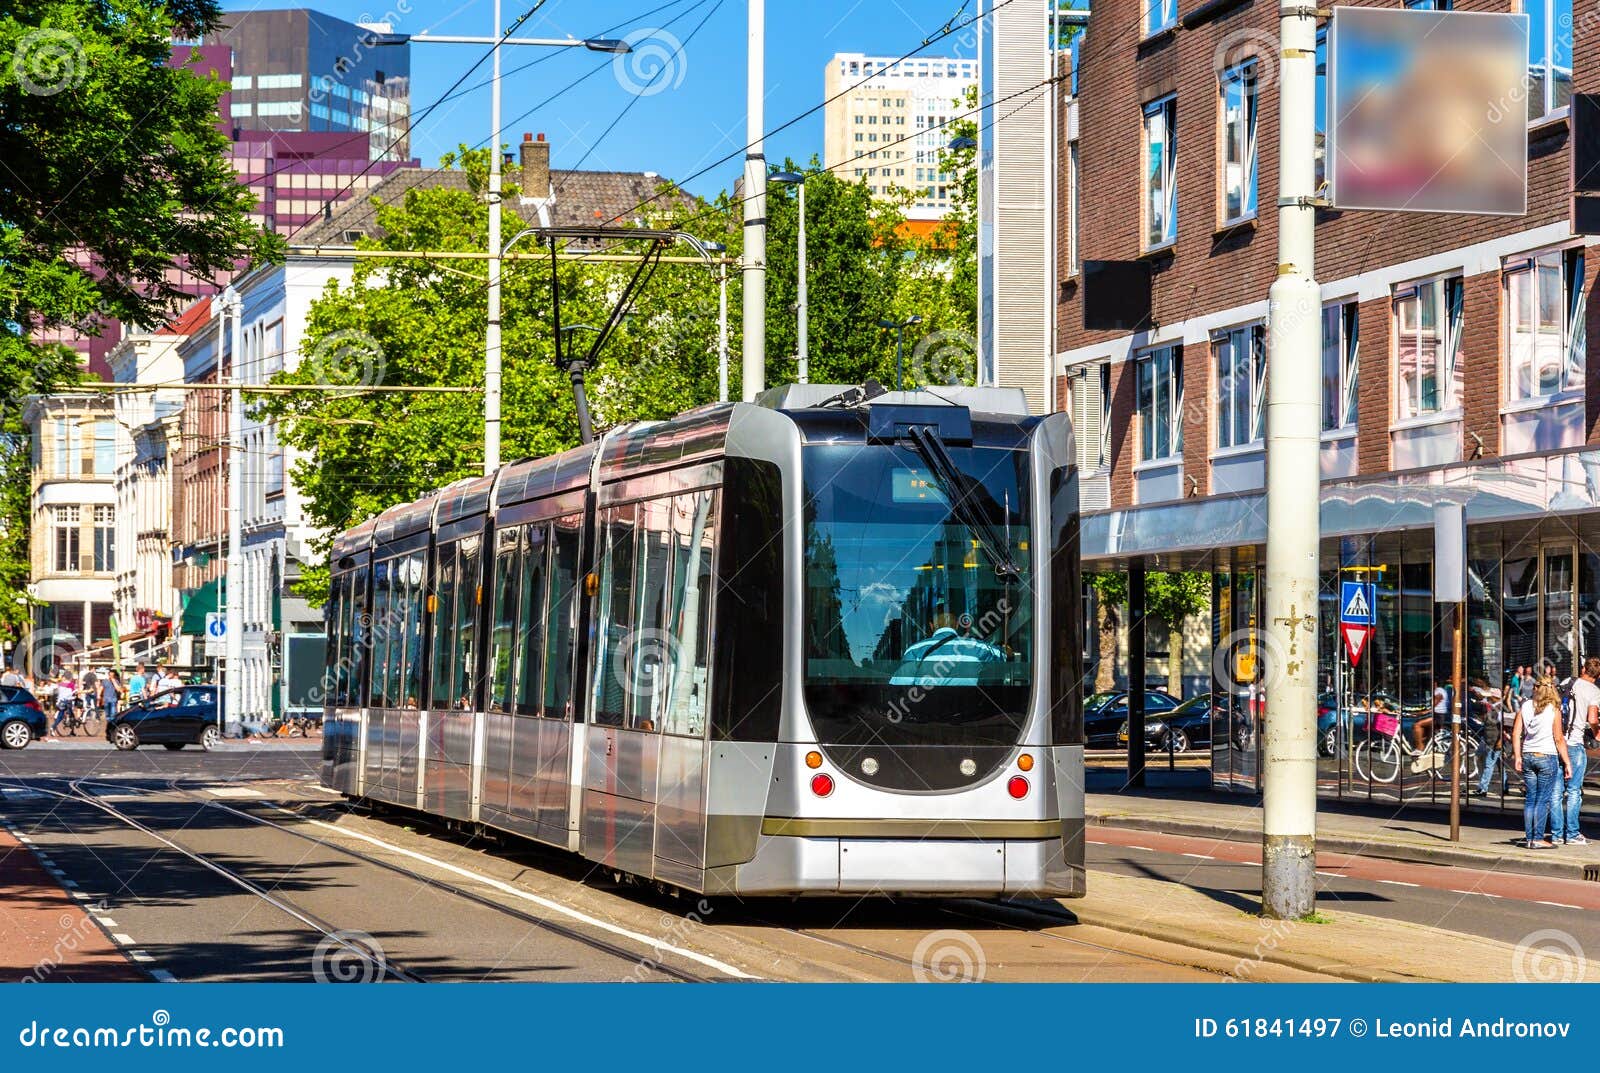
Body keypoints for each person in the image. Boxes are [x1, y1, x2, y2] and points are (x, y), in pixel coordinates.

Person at [1514, 677, 1572, 849]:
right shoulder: (1553, 709)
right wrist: (1567, 762)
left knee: (1530, 799)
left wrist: (1518, 756)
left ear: (1536, 689)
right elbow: (1559, 738)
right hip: (1547, 756)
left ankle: (1530, 838)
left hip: (1528, 756)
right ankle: (1538, 838)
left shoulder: (1525, 706)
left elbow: (1517, 733)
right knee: (1542, 800)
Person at [1553, 658, 1600, 845]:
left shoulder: (1567, 682)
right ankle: (1572, 834)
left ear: (1583, 669)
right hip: (1575, 744)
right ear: (1597, 676)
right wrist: (1597, 732)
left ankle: (1556, 835)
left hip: (1558, 742)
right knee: (1574, 791)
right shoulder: (1594, 691)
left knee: (1556, 792)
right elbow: (1593, 718)